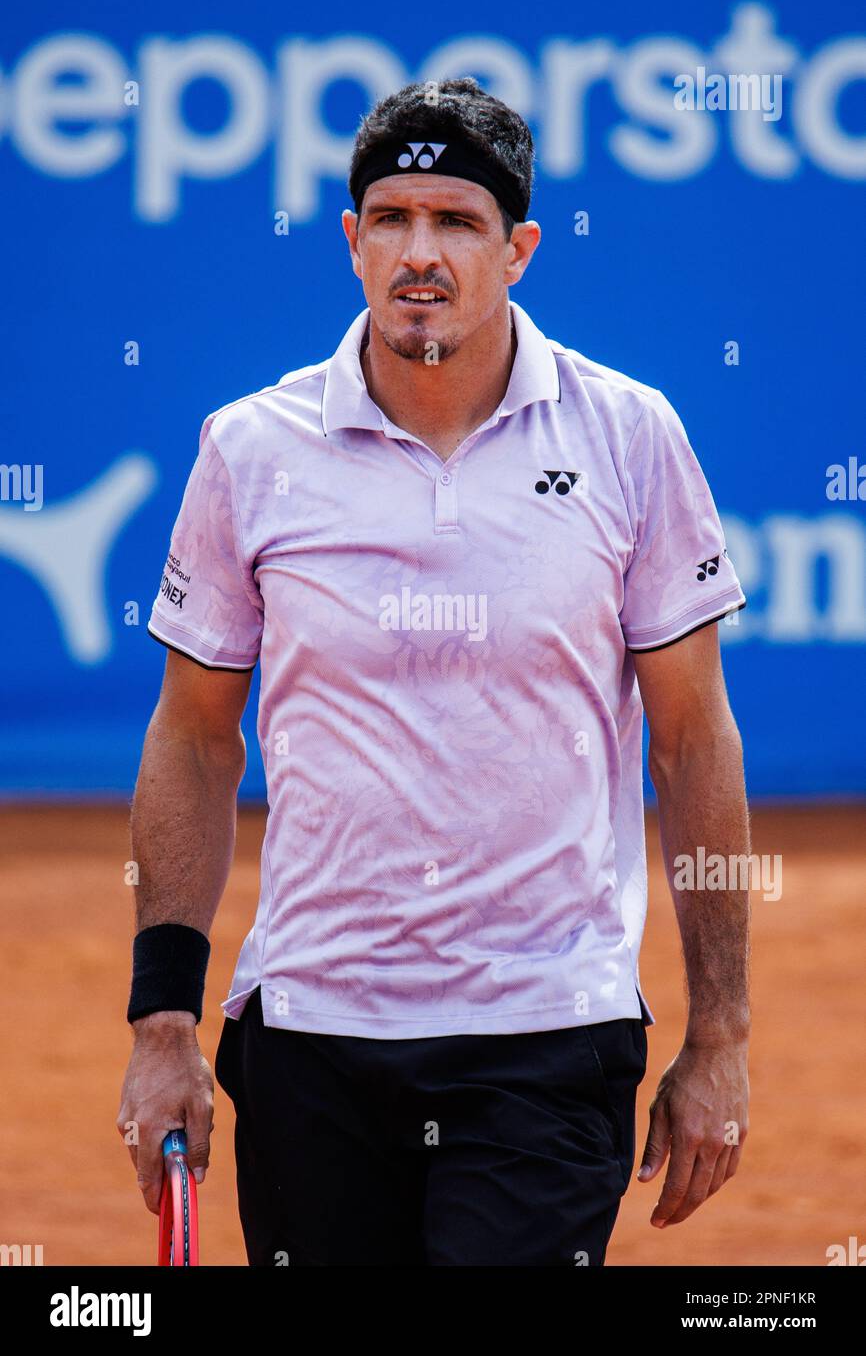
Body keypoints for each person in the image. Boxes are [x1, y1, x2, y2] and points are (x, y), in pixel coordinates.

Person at [117, 78, 751, 1267]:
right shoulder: (249, 448)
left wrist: (718, 1030)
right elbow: (195, 736)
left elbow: (691, 738)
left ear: (517, 251)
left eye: (455, 222)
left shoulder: (628, 436)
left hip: (548, 1033)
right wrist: (162, 1019)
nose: (420, 252)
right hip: (312, 1034)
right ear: (351, 243)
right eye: (391, 219)